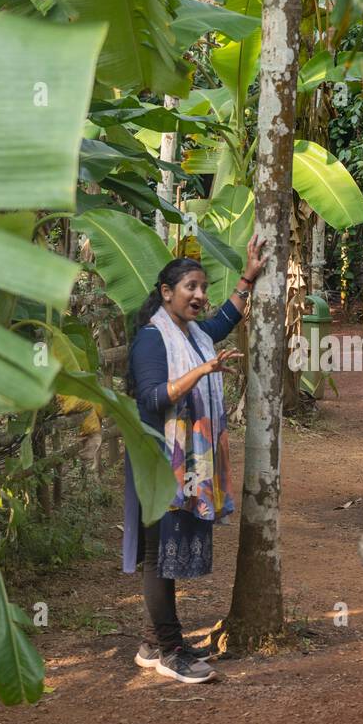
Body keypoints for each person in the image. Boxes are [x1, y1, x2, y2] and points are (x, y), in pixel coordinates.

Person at [123, 240, 266, 683]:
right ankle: (170, 650)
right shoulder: (152, 337)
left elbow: (224, 320)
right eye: (191, 286)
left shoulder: (194, 334)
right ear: (166, 292)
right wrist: (202, 373)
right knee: (156, 556)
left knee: (165, 555)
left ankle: (152, 643)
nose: (200, 295)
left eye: (204, 286)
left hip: (185, 463)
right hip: (158, 462)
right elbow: (151, 396)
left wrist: (248, 276)